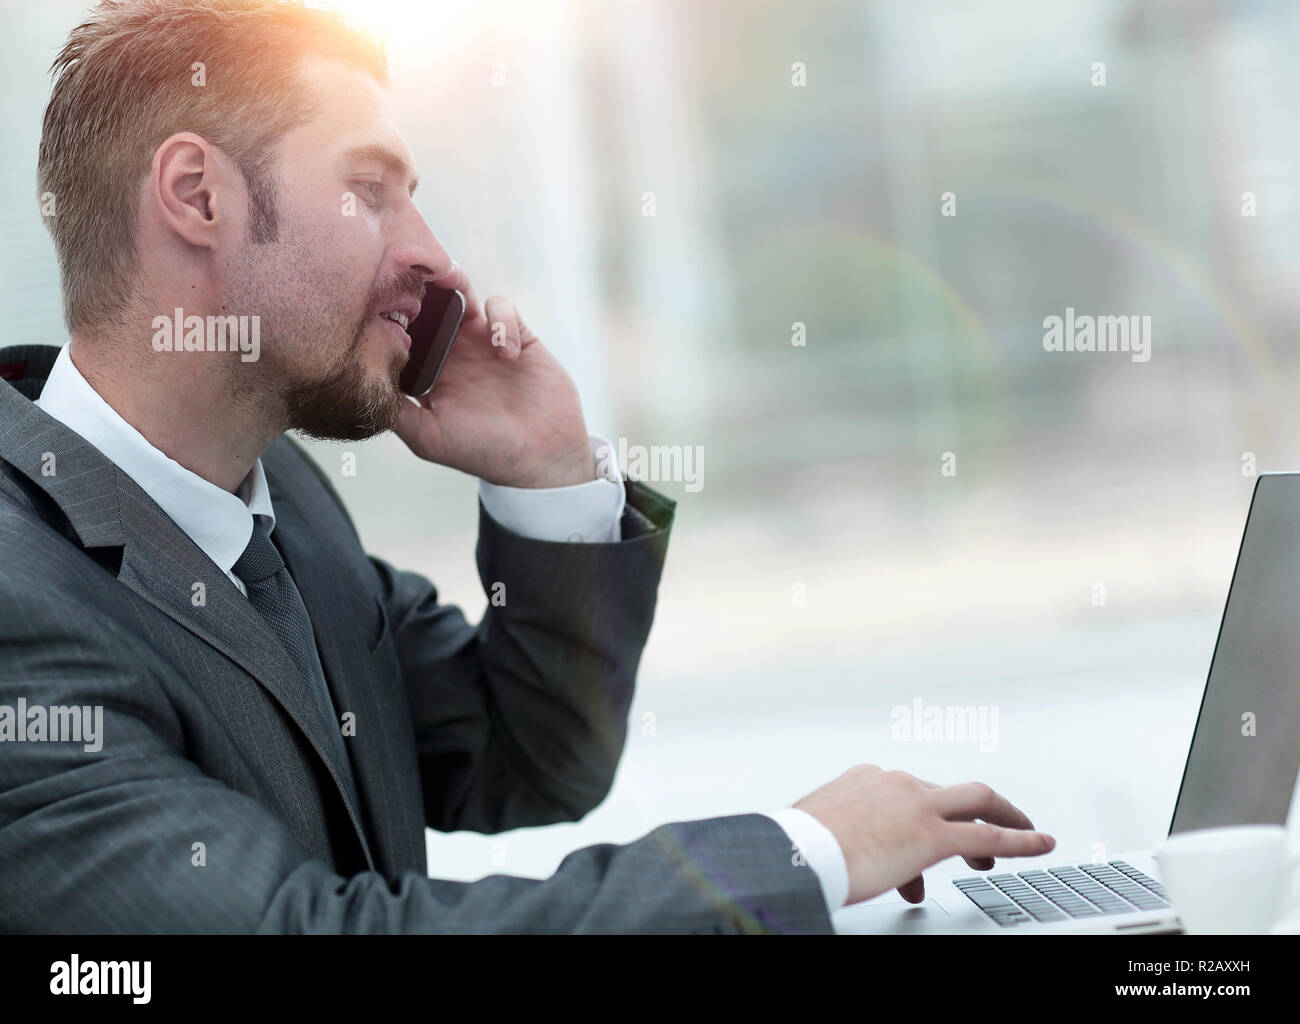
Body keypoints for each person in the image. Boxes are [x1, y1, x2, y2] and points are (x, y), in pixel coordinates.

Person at [0, 0, 1053, 933]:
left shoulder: (284, 508)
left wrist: (546, 478)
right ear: (198, 196)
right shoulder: (19, 602)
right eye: (370, 189)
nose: (433, 258)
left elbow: (529, 758)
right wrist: (802, 854)